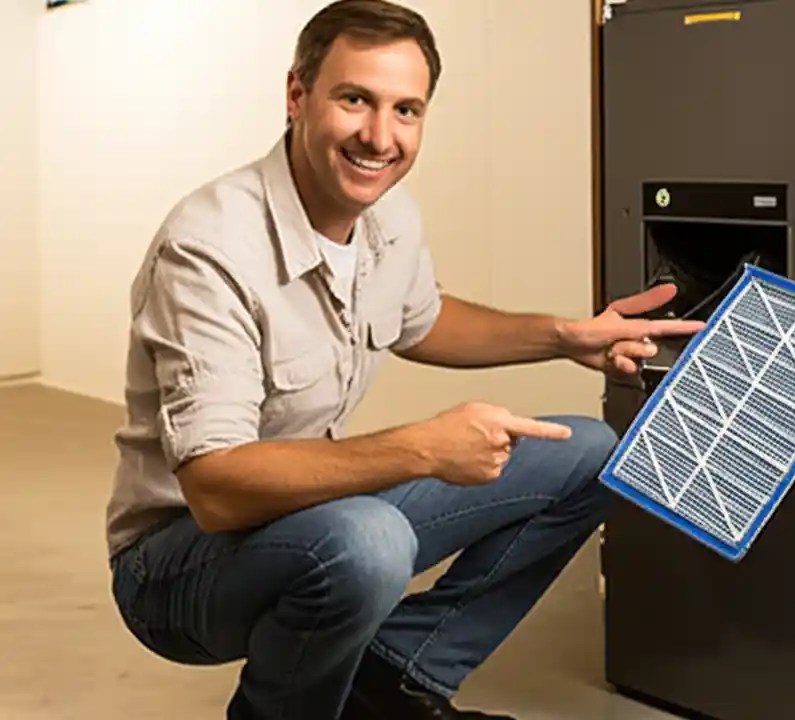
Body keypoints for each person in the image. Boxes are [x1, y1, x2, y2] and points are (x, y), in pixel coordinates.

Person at [104, 1, 703, 719]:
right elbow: (216, 489)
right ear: (297, 94)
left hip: (309, 512)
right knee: (368, 541)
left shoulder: (387, 216)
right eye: (354, 100)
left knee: (590, 452)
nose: (380, 137)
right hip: (177, 561)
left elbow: (421, 318)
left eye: (406, 110)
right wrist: (422, 449)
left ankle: (389, 681)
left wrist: (563, 336)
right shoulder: (211, 248)